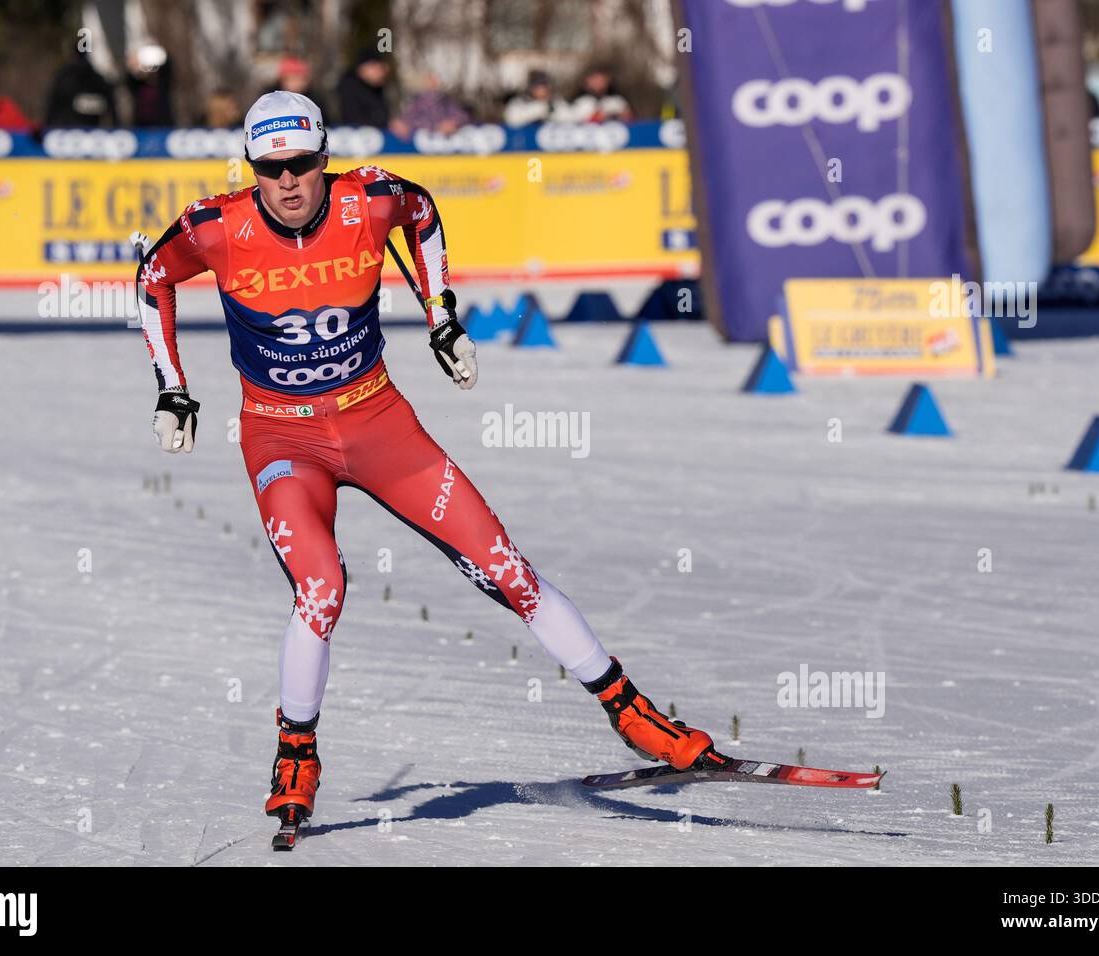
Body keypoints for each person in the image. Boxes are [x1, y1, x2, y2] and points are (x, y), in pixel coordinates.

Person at [133, 91, 722, 829]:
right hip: (283, 438)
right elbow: (152, 275)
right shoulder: (218, 227)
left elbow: (423, 213)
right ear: (253, 168)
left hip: (378, 423)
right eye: (269, 169)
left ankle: (633, 713)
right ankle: (295, 752)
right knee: (322, 588)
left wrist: (442, 315)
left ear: (325, 157)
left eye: (302, 165)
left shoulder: (368, 200)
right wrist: (172, 389)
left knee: (506, 568)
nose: (286, 182)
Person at [335, 47, 390, 127]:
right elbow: (353, 119)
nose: (382, 72)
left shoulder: (376, 89)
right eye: (377, 67)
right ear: (364, 68)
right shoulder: (350, 88)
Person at [558, 64, 633, 123]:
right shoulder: (578, 103)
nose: (598, 83)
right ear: (586, 82)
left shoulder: (616, 101)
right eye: (594, 79)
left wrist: (613, 117)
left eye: (601, 80)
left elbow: (630, 121)